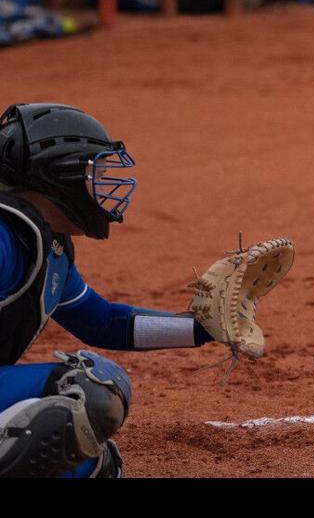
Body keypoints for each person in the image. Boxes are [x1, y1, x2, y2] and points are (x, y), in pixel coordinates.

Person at [0, 103, 216, 478]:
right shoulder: (4, 238)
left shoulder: (48, 249)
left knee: (91, 463)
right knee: (84, 392)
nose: (102, 184)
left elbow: (103, 322)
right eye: (91, 172)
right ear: (57, 177)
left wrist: (204, 328)